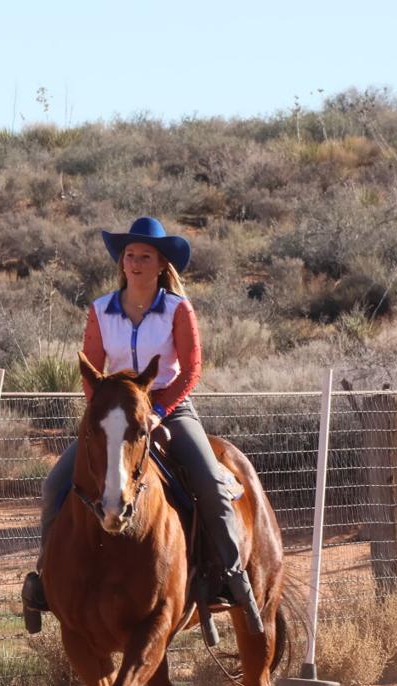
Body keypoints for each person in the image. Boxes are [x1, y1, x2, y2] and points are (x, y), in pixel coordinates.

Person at [20, 217, 263, 634]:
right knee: (55, 484)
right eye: (130, 255)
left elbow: (191, 369)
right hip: (115, 413)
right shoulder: (100, 310)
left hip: (169, 406)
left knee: (208, 480)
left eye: (144, 256)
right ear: (123, 263)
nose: (135, 262)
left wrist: (158, 410)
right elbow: (92, 370)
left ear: (160, 264)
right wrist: (103, 413)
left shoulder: (177, 310)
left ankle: (232, 577)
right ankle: (45, 579)